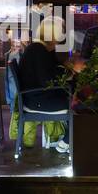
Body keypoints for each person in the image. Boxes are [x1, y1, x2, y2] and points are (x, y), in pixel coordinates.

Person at [11, 17, 70, 152]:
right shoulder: (39, 51)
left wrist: (64, 69)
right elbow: (48, 81)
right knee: (76, 105)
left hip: (35, 96)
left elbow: (50, 72)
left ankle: (68, 138)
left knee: (74, 97)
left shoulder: (39, 48)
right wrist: (67, 73)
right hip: (37, 100)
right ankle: (67, 141)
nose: (62, 36)